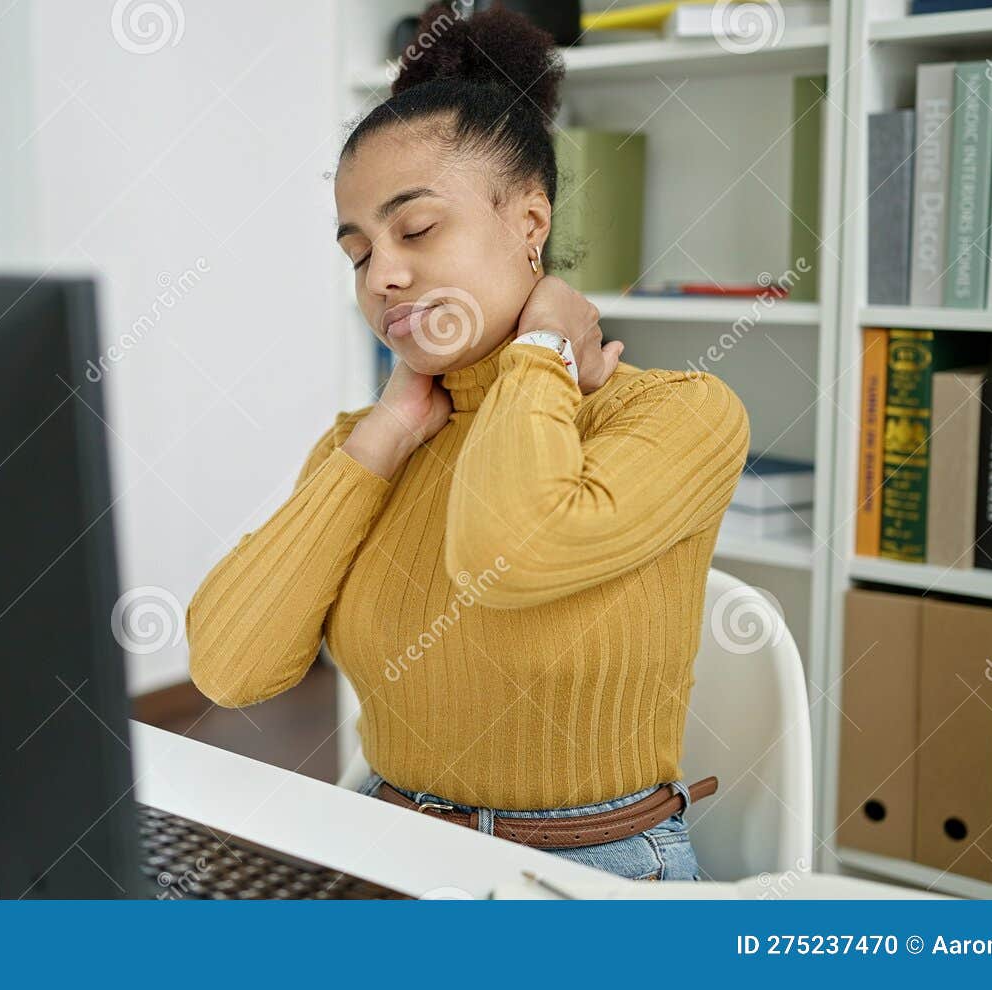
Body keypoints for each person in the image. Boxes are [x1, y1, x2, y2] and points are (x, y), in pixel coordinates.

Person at [185, 4, 749, 882]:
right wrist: (385, 436)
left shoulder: (680, 413)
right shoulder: (368, 448)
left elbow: (512, 551)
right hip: (387, 849)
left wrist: (541, 349)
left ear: (532, 224)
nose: (384, 277)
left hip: (593, 872)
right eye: (357, 253)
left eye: (415, 231)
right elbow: (228, 667)